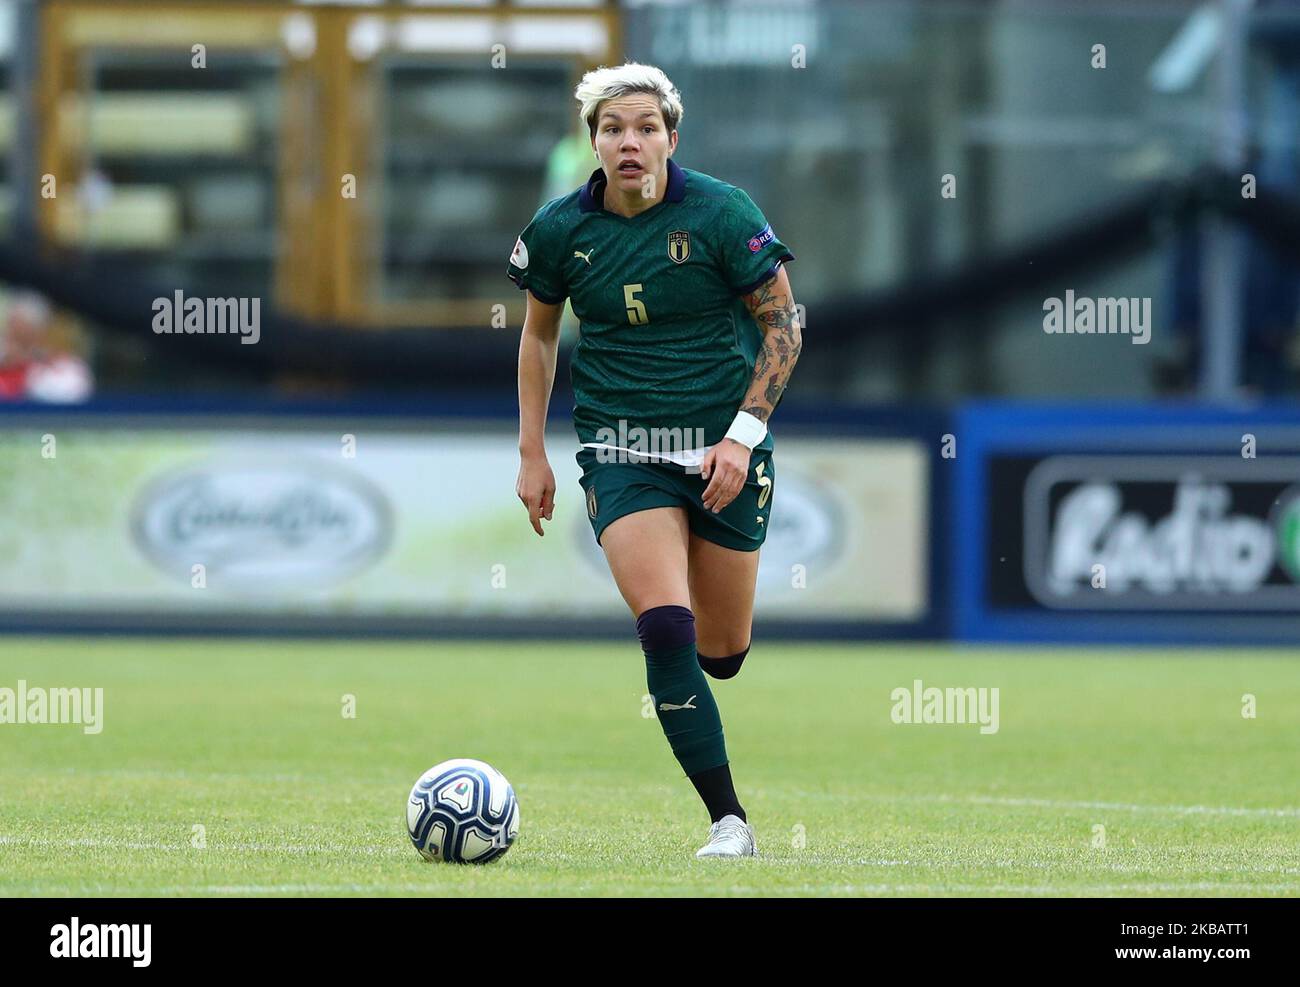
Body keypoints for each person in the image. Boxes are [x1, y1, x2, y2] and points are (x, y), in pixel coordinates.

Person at [511, 63, 802, 859]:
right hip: (619, 449)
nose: (628, 142)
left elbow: (784, 327)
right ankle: (728, 821)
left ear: (673, 138)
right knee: (666, 629)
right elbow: (538, 336)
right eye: (612, 129)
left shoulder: (723, 212)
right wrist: (532, 451)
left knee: (722, 652)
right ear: (593, 142)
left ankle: (717, 671)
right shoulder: (559, 229)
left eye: (645, 128)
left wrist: (741, 437)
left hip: (721, 450)